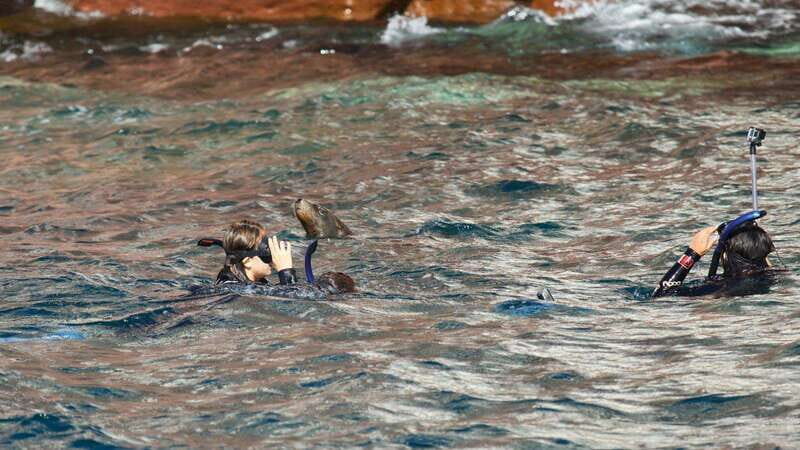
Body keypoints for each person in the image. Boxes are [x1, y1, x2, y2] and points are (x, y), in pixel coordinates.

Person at [205, 219, 355, 299]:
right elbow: (296, 304)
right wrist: (285, 271)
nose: (273, 255)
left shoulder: (248, 284)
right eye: (266, 251)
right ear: (247, 261)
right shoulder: (235, 291)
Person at [652, 220, 776, 298]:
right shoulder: (773, 276)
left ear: (726, 254)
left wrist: (692, 253)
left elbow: (661, 295)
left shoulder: (720, 287)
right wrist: (754, 238)